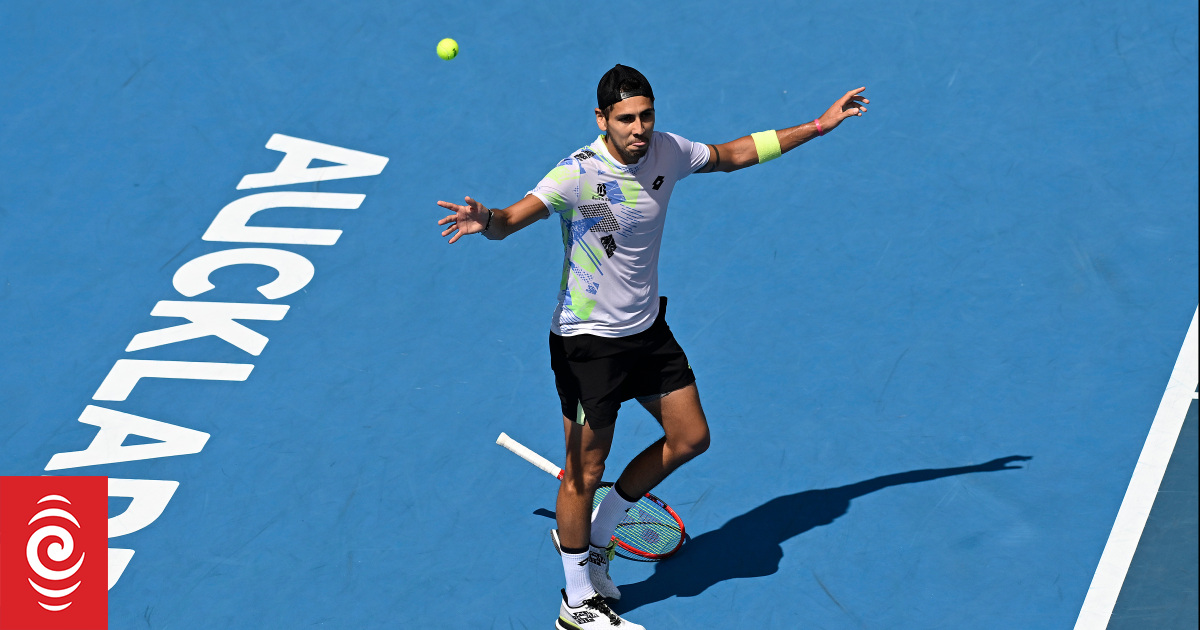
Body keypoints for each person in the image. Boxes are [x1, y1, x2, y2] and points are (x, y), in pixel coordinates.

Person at [437, 64, 868, 630]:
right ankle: (574, 602)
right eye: (626, 119)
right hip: (588, 347)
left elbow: (732, 154)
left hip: (646, 331)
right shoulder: (576, 174)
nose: (639, 129)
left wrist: (816, 125)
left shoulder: (667, 151)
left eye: (646, 116)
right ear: (602, 120)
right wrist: (485, 218)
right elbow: (512, 218)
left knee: (691, 437)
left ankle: (598, 538)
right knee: (582, 473)